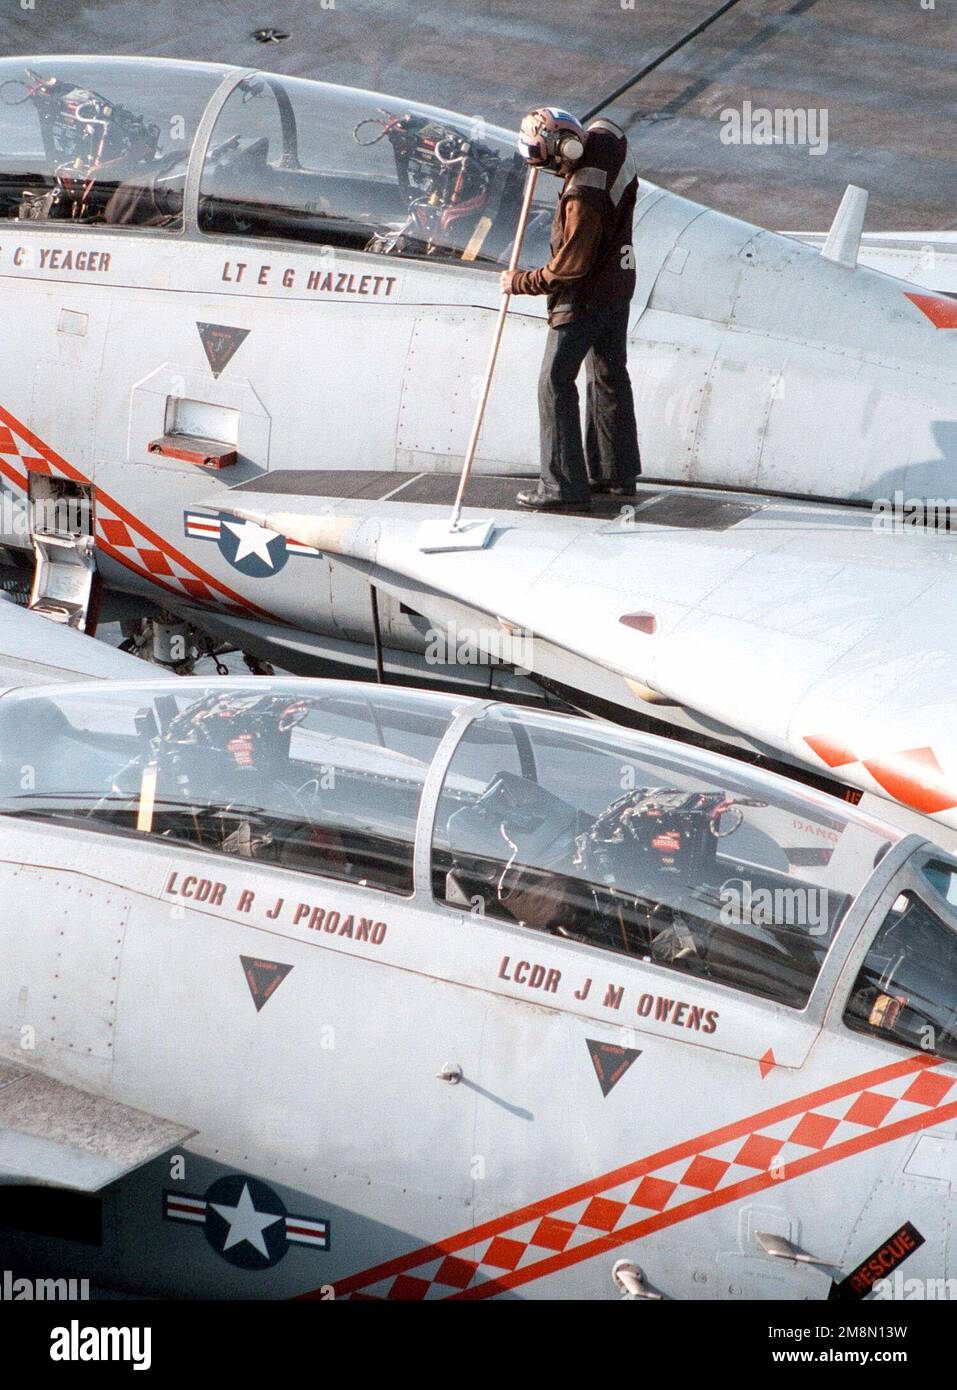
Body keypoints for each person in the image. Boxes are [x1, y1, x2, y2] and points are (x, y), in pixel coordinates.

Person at [502, 108, 641, 511]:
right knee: (609, 374)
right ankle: (616, 475)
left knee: (554, 383)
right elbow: (608, 125)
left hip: (584, 297)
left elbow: (570, 268)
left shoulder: (582, 196)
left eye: (550, 160)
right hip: (620, 281)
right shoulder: (608, 141)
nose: (551, 170)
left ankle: (561, 488)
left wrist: (520, 281)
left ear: (568, 147)